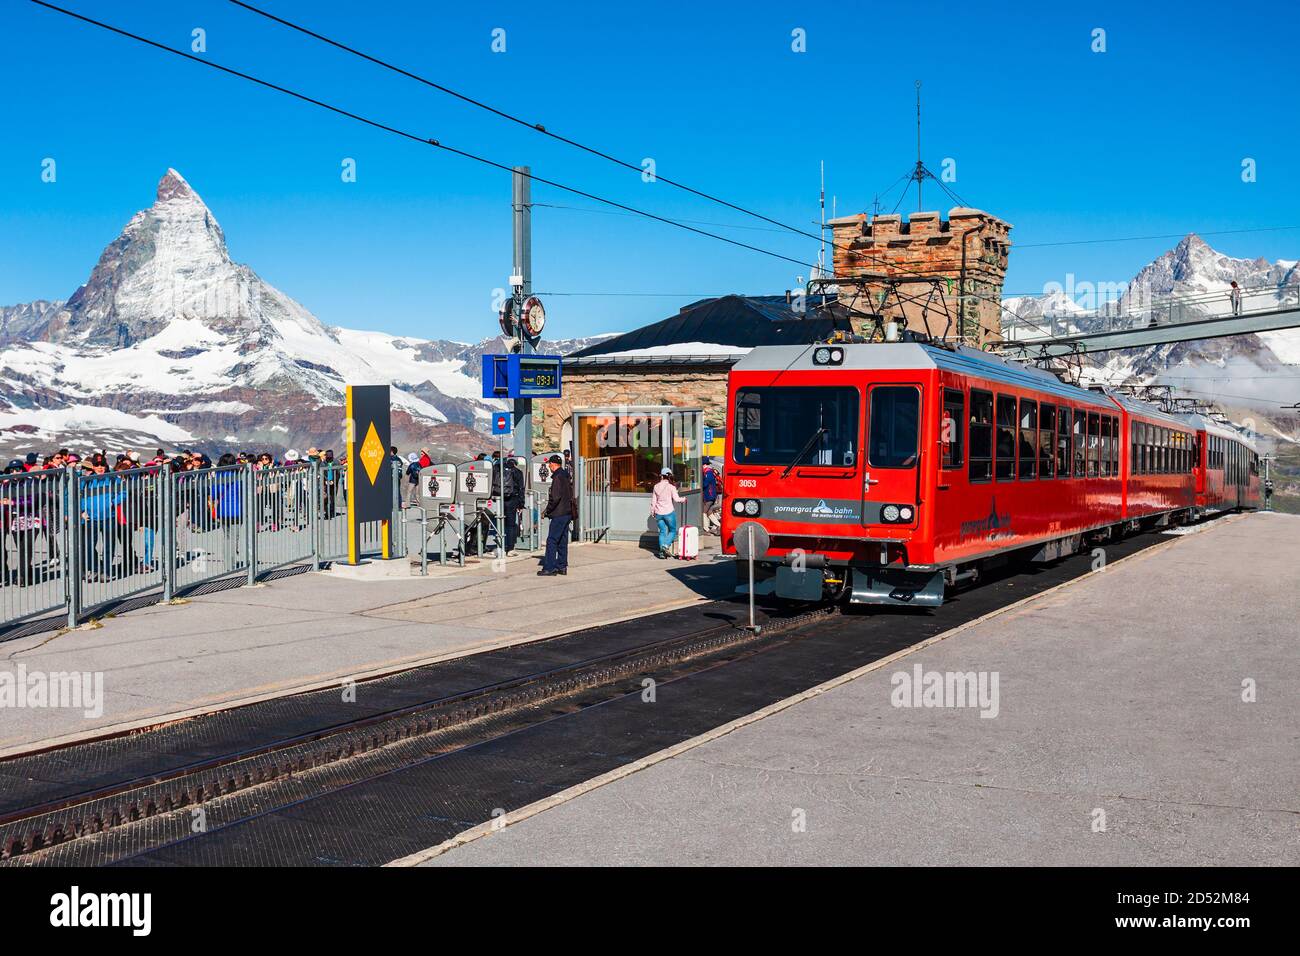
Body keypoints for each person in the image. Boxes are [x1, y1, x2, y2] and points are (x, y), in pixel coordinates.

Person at [539, 454, 573, 576]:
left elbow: (555, 497)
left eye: (550, 464)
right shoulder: (565, 475)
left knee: (552, 540)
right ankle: (562, 566)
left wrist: (547, 510)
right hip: (567, 512)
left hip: (559, 513)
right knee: (562, 541)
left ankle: (550, 567)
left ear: (553, 464)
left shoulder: (557, 477)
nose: (548, 466)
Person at [490, 455, 524, 556]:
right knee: (511, 525)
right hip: (512, 500)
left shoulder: (497, 470)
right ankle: (510, 548)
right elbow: (521, 489)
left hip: (499, 500)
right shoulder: (517, 472)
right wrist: (521, 504)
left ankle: (500, 547)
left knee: (499, 523)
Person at [650, 467, 685, 559]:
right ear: (669, 476)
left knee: (662, 532)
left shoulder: (656, 486)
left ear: (661, 476)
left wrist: (652, 511)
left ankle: (662, 553)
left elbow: (653, 501)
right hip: (669, 512)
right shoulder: (671, 487)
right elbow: (677, 499)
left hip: (658, 513)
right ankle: (665, 546)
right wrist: (684, 499)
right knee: (672, 531)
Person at [701, 457, 721, 534]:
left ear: (704, 464)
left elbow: (705, 484)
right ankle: (719, 525)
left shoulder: (708, 472)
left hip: (709, 496)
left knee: (704, 512)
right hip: (711, 495)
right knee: (709, 512)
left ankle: (706, 529)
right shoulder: (710, 472)